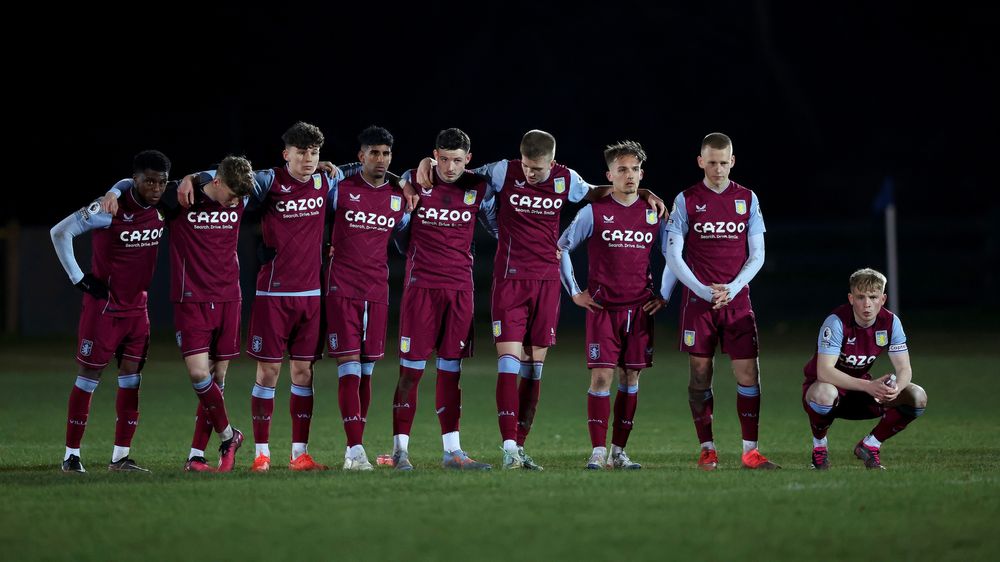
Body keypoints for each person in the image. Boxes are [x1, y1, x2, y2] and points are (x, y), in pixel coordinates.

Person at [414, 130, 666, 470]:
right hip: (510, 282)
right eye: (528, 167)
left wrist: (641, 191)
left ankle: (520, 446)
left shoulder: (566, 179)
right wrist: (425, 162)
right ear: (521, 159)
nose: (532, 174)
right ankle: (508, 450)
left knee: (534, 370)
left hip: (546, 285)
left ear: (552, 161)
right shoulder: (504, 171)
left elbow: (596, 192)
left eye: (539, 168)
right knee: (509, 362)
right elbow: (456, 173)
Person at [176, 121, 347, 472]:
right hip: (273, 294)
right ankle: (261, 454)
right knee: (268, 373)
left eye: (314, 153)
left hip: (312, 295)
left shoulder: (326, 180)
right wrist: (192, 176)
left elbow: (367, 171)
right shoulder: (269, 181)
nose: (309, 159)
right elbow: (229, 175)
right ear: (287, 155)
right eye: (301, 153)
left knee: (303, 374)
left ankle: (299, 453)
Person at [104, 156, 256, 472]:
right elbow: (136, 186)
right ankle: (229, 435)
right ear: (217, 182)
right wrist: (113, 193)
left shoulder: (237, 191)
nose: (235, 201)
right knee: (199, 374)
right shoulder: (180, 198)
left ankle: (196, 456)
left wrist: (195, 174)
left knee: (218, 378)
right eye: (231, 195)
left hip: (230, 298)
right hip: (190, 300)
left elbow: (271, 174)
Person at [558, 140, 676, 470]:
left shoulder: (654, 213)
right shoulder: (593, 212)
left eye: (635, 169)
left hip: (640, 311)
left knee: (631, 379)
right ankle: (597, 452)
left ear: (642, 173)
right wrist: (575, 292)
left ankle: (619, 452)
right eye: (622, 169)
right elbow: (561, 248)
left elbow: (673, 256)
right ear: (609, 174)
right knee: (601, 379)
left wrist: (664, 294)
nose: (629, 175)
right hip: (603, 311)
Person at [664, 132, 779, 470]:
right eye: (711, 162)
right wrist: (703, 290)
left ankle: (750, 452)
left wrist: (732, 286)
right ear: (700, 161)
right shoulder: (686, 200)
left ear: (732, 161)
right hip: (699, 304)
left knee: (748, 374)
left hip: (737, 301)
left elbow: (757, 254)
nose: (717, 168)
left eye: (723, 162)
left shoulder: (747, 198)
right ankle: (707, 449)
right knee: (700, 373)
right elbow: (673, 254)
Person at [50, 150, 169, 473]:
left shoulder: (163, 208)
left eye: (161, 182)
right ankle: (71, 456)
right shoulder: (108, 209)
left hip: (137, 311)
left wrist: (118, 186)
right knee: (89, 376)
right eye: (149, 182)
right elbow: (60, 233)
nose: (156, 189)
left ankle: (120, 458)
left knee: (132, 380)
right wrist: (80, 280)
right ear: (136, 180)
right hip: (103, 310)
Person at [387, 128, 496, 471]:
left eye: (457, 160)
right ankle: (400, 451)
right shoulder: (415, 181)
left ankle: (453, 452)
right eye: (444, 159)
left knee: (451, 372)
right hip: (421, 289)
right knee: (411, 373)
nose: (450, 167)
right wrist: (411, 175)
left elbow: (499, 223)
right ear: (435, 155)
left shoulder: (478, 187)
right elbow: (382, 178)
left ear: (469, 159)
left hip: (460, 291)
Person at [324, 125, 409, 471]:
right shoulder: (339, 189)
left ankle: (354, 451)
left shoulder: (398, 198)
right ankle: (354, 449)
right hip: (341, 287)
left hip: (376, 291)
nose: (380, 159)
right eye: (373, 152)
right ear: (360, 156)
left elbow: (405, 237)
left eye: (386, 153)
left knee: (368, 370)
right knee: (350, 366)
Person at [802, 268, 927, 470]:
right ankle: (819, 448)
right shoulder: (836, 322)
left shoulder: (891, 322)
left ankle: (870, 445)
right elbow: (824, 372)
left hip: (862, 390)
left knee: (917, 396)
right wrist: (869, 386)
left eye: (873, 297)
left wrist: (895, 388)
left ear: (883, 298)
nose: (867, 304)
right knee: (824, 393)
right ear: (851, 298)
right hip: (828, 390)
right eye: (860, 297)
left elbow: (904, 368)